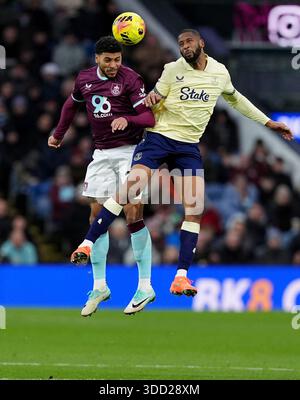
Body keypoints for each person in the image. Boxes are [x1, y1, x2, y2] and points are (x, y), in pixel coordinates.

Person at [71, 29, 293, 301]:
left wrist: (268, 123)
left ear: (201, 43)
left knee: (195, 208)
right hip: (158, 139)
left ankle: (180, 276)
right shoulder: (171, 69)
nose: (184, 47)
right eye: (180, 44)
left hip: (188, 146)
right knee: (130, 188)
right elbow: (151, 101)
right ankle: (87, 243)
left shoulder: (220, 73)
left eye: (188, 42)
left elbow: (237, 100)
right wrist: (151, 99)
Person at [48, 36, 156, 316]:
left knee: (133, 212)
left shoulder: (131, 79)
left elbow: (148, 118)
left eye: (117, 59)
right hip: (101, 153)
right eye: (107, 60)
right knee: (96, 215)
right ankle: (100, 286)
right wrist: (59, 133)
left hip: (131, 151)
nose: (113, 65)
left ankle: (145, 285)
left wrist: (128, 119)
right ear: (96, 58)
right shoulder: (84, 79)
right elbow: (71, 105)